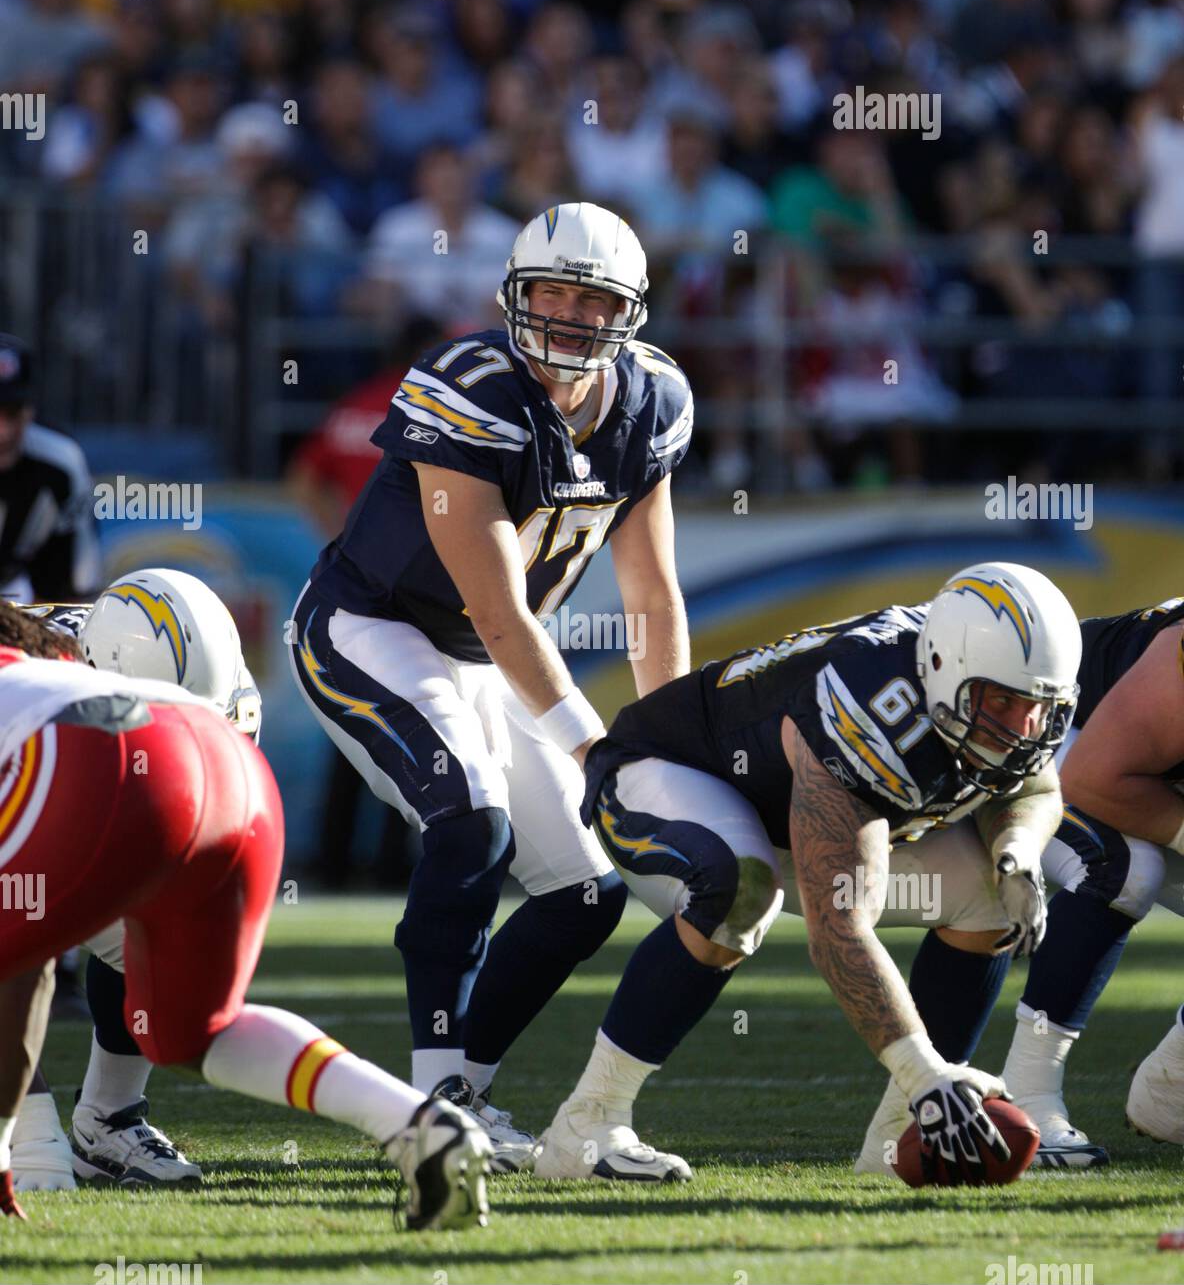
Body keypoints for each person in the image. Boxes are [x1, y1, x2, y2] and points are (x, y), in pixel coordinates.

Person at [290, 202, 693, 1168]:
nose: (566, 314)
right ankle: (430, 1111)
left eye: (591, 298)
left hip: (481, 653)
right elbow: (500, 607)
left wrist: (670, 743)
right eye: (549, 290)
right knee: (471, 822)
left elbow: (651, 593)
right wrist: (598, 750)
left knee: (585, 893)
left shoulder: (653, 401)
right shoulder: (467, 384)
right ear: (513, 292)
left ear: (628, 312)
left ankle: (465, 1090)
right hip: (373, 627)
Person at [533, 563, 1080, 1183]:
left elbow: (1034, 783)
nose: (1020, 727)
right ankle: (587, 1120)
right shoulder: (869, 709)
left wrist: (1017, 853)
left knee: (990, 900)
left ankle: (898, 1140)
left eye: (1037, 707)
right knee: (741, 891)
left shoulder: (980, 691)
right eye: (1002, 702)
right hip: (662, 772)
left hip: (789, 808)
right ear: (942, 670)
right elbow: (839, 929)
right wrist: (923, 1070)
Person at [0, 603, 491, 1228]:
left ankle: (38, 1151)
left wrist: (20, 1148)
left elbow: (24, 960)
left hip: (106, 767)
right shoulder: (75, 631)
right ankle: (415, 1122)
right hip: (226, 763)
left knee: (18, 945)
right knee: (196, 1030)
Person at [10, 570, 262, 1191]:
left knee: (172, 913)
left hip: (76, 795)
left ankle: (109, 1120)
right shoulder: (31, 695)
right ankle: (28, 1125)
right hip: (22, 794)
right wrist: (28, 1125)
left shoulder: (221, 689)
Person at [995, 596, 1184, 1164]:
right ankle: (1027, 1095)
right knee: (1125, 868)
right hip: (1048, 730)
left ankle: (1172, 1092)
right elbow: (1093, 780)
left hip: (1125, 763)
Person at [0, 334, 101, 604]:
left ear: (31, 409)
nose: (3, 432)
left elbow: (78, 587)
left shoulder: (61, 465)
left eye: (12, 412)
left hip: (19, 598)